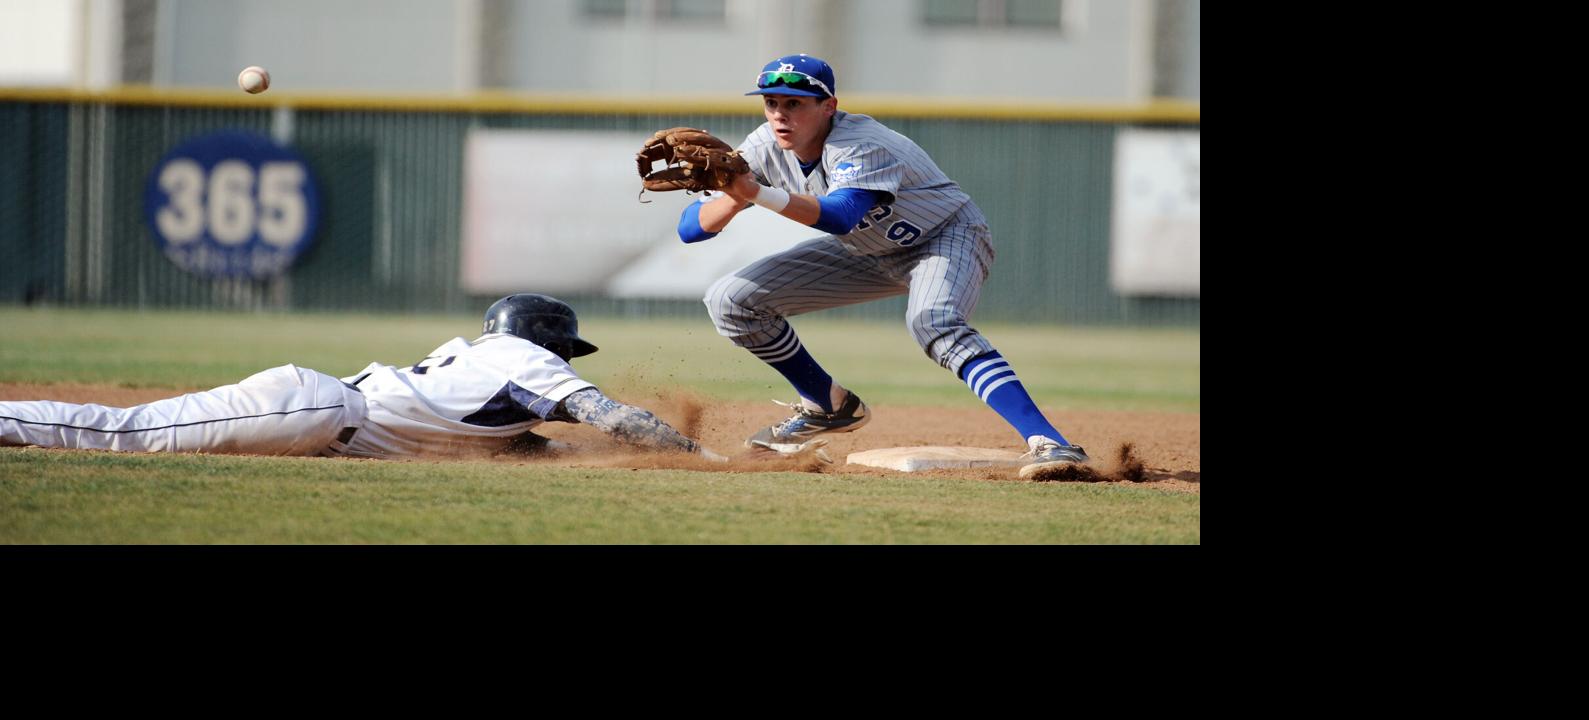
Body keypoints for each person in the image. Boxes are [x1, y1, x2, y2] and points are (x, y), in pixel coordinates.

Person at [676, 53, 1090, 480]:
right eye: (772, 102)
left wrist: (756, 192)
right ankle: (829, 405)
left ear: (828, 107)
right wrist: (736, 195)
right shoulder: (762, 147)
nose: (780, 114)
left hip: (945, 236)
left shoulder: (862, 143)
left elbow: (840, 215)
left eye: (795, 103)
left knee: (934, 322)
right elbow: (690, 229)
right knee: (731, 300)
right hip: (867, 251)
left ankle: (1051, 442)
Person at [0, 294, 735, 463]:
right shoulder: (524, 362)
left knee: (144, 434)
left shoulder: (487, 379)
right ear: (545, 342)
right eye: (565, 348)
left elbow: (536, 449)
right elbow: (612, 419)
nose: (568, 359)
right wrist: (698, 459)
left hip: (319, 413)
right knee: (135, 434)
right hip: (314, 408)